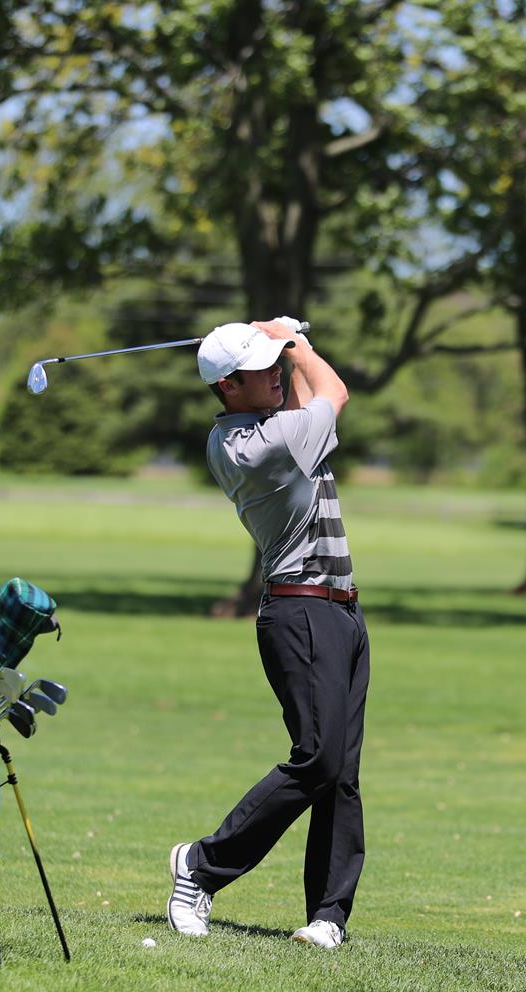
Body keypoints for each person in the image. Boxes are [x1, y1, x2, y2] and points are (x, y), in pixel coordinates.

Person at [165, 318, 368, 951]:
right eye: (264, 366)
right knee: (318, 757)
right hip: (300, 612)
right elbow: (332, 392)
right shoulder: (254, 446)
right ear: (227, 386)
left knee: (341, 771)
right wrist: (297, 341)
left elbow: (313, 401)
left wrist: (277, 341)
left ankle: (328, 916)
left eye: (277, 362)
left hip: (342, 613)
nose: (277, 370)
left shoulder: (275, 428)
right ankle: (200, 866)